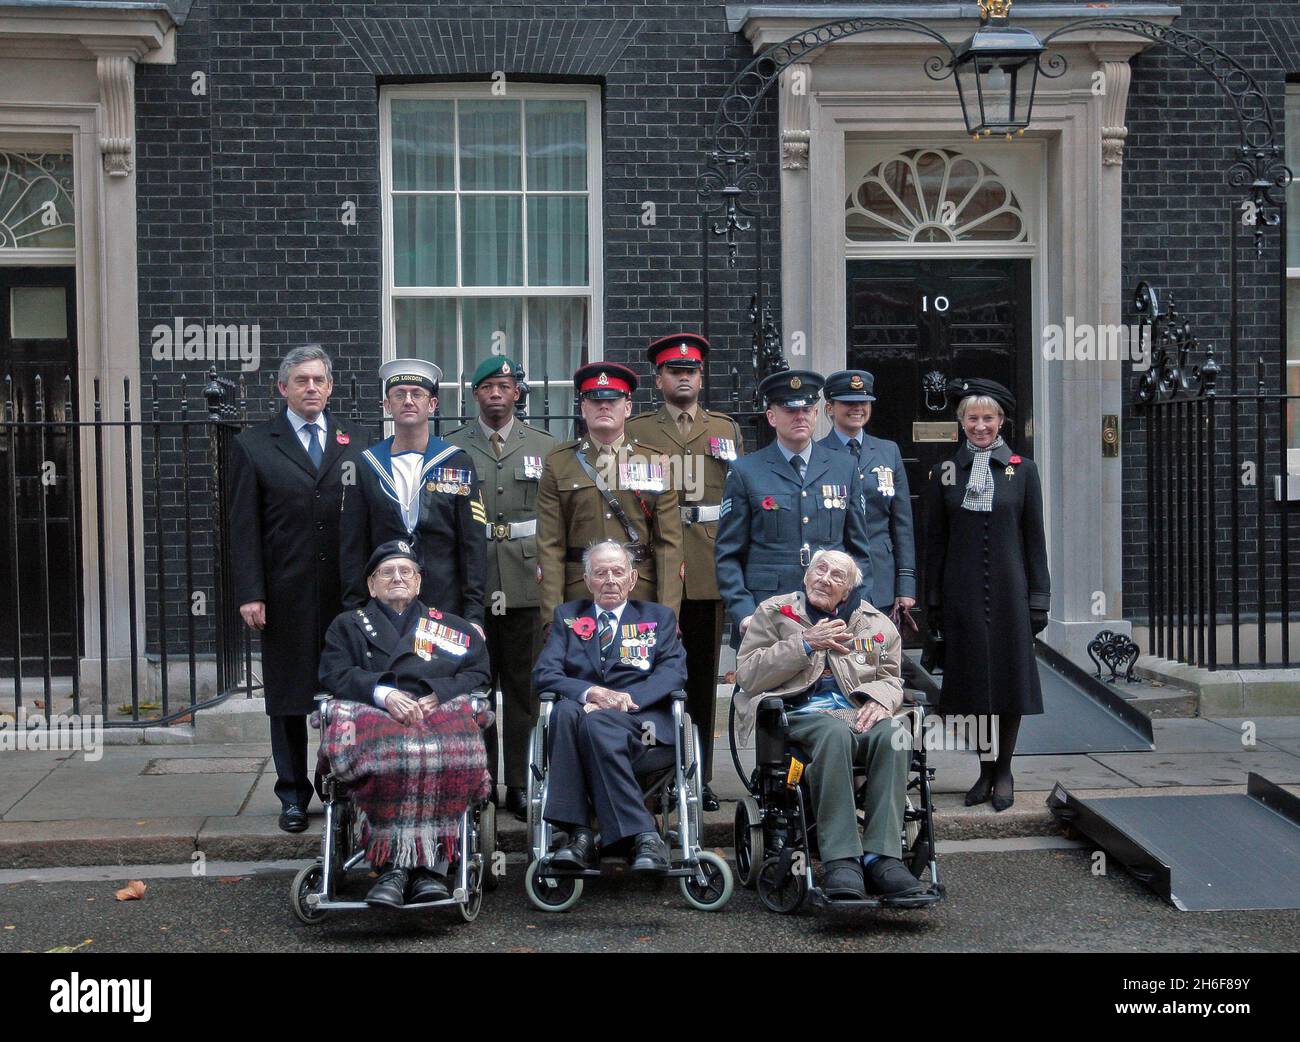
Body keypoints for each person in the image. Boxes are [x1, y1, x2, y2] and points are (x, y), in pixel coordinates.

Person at [735, 550, 923, 900]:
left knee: (896, 733)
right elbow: (748, 675)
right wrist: (805, 643)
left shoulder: (875, 624)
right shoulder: (775, 613)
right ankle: (842, 861)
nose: (825, 578)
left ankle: (882, 857)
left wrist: (881, 698)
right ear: (806, 575)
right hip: (798, 715)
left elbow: (892, 678)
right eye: (820, 569)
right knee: (833, 733)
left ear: (848, 590)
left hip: (857, 714)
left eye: (837, 576)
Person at [228, 345, 360, 834]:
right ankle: (292, 793)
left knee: (346, 691)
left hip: (345, 594)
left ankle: (343, 784)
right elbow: (242, 527)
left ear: (329, 387)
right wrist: (250, 592)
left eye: (319, 380)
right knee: (287, 697)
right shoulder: (254, 445)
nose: (311, 388)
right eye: (301, 380)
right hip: (284, 592)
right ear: (282, 388)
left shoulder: (355, 441)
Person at [318, 540, 492, 908]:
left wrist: (439, 692)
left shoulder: (451, 628)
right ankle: (393, 868)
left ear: (418, 582)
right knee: (392, 755)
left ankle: (431, 869)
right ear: (371, 585)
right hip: (375, 714)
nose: (397, 577)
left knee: (453, 756)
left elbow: (478, 671)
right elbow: (333, 673)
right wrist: (382, 693)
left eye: (406, 571)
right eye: (387, 572)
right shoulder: (347, 626)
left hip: (434, 714)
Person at [626, 332, 743, 811]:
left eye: (691, 371)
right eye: (674, 372)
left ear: (701, 377)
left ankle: (700, 776)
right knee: (649, 676)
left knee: (701, 678)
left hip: (707, 564)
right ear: (659, 379)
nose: (684, 378)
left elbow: (737, 499)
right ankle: (653, 775)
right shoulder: (639, 430)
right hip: (654, 567)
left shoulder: (725, 428)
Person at [922, 378, 1050, 812]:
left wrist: (1039, 599)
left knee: (1009, 682)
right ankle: (983, 769)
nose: (980, 426)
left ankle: (1005, 771)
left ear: (1001, 421)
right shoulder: (945, 471)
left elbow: (1035, 540)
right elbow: (934, 543)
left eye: (988, 418)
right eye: (972, 418)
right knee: (973, 684)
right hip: (962, 595)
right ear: (961, 422)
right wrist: (933, 601)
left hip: (1012, 591)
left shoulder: (1024, 469)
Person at [532, 540, 688, 874]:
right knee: (563, 711)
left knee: (595, 723)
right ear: (587, 581)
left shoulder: (658, 618)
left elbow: (674, 673)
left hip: (642, 727)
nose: (610, 580)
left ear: (632, 578)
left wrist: (625, 701)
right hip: (584, 720)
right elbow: (545, 674)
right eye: (600, 573)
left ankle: (590, 838)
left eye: (618, 572)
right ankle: (611, 835)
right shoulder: (567, 617)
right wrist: (591, 693)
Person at [445, 356, 556, 820]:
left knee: (525, 689)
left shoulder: (547, 447)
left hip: (526, 579)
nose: (496, 393)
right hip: (471, 582)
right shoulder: (450, 448)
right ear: (474, 395)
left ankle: (522, 782)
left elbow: (554, 522)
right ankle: (481, 781)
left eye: (504, 385)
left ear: (517, 394)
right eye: (487, 385)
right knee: (474, 689)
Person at [715, 369, 873, 645]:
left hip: (830, 609)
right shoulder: (746, 471)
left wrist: (858, 607)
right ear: (772, 416)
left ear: (815, 414)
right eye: (790, 410)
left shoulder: (844, 467)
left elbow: (858, 549)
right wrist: (743, 612)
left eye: (807, 409)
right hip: (767, 612)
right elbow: (728, 554)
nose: (800, 416)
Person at [339, 358, 488, 631]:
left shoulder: (456, 462)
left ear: (432, 404)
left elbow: (473, 545)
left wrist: (474, 615)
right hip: (384, 604)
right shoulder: (366, 465)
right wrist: (355, 612)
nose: (408, 401)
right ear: (387, 404)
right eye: (399, 394)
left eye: (417, 394)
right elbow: (352, 548)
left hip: (446, 602)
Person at [534, 361, 683, 623]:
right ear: (583, 408)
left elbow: (668, 545)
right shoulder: (558, 463)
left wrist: (668, 615)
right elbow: (550, 546)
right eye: (594, 400)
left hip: (640, 592)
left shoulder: (654, 461)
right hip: (579, 596)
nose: (603, 406)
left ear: (627, 408)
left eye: (612, 400)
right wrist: (552, 618)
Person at [817, 369, 916, 617]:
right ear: (830, 408)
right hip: (834, 577)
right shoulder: (816, 454)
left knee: (878, 653)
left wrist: (905, 585)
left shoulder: (888, 451)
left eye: (863, 402)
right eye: (848, 403)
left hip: (882, 575)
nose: (857, 408)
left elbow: (902, 522)